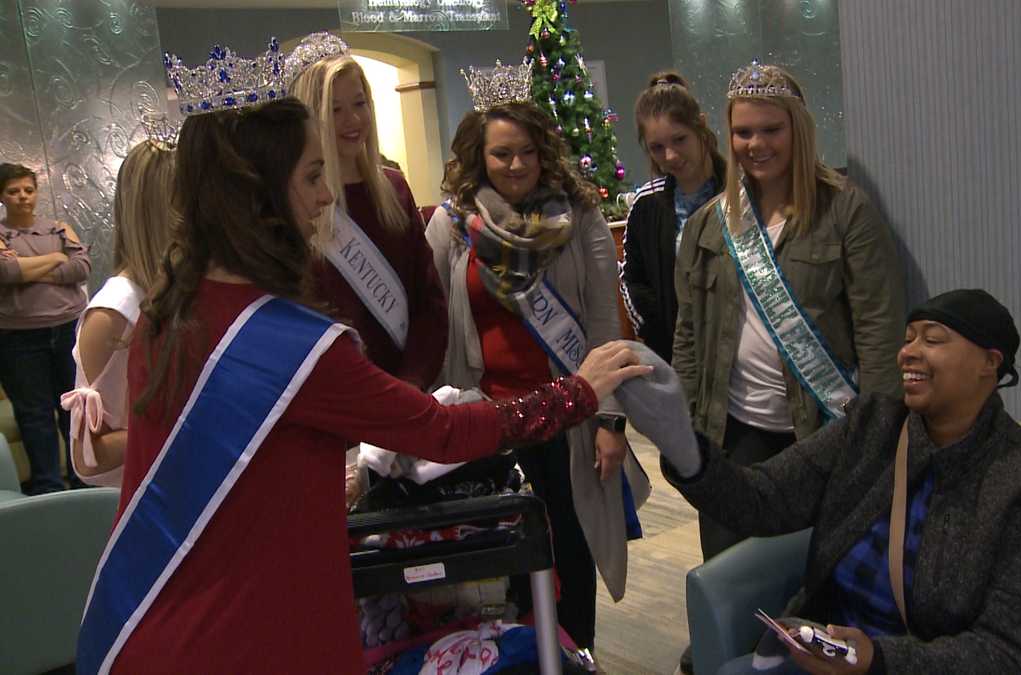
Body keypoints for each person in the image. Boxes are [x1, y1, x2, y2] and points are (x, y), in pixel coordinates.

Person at [75, 46, 649, 674]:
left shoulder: (167, 310)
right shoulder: (295, 346)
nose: (327, 196)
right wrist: (579, 393)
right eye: (311, 176)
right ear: (258, 196)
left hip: (137, 615)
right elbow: (444, 431)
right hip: (246, 630)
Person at [633, 289, 1021, 674]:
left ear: (989, 363)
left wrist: (879, 659)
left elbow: (1007, 652)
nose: (908, 352)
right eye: (908, 338)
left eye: (933, 339)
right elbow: (763, 499)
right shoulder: (872, 426)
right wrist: (681, 445)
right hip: (827, 649)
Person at [426, 61, 649, 654]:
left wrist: (610, 421)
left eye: (526, 151)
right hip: (486, 419)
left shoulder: (579, 216)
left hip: (568, 418)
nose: (516, 165)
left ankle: (576, 656)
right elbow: (432, 324)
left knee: (570, 549)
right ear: (480, 157)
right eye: (502, 154)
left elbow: (603, 323)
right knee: (501, 562)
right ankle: (520, 659)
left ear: (543, 151)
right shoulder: (452, 225)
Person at [673, 62, 906, 563]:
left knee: (813, 575)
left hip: (821, 433)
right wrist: (684, 427)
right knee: (730, 574)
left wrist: (877, 437)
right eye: (743, 132)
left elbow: (880, 330)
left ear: (797, 129)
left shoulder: (846, 211)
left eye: (771, 129)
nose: (756, 144)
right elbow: (688, 335)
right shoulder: (707, 224)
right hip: (730, 433)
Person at [288, 32, 447, 389]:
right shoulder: (297, 202)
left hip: (408, 392)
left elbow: (429, 301)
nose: (353, 120)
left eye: (359, 104)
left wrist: (412, 382)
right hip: (339, 394)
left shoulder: (394, 189)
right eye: (335, 110)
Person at [60, 139, 176, 488]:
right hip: (142, 496)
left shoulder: (184, 291)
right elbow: (88, 457)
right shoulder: (113, 314)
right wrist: (182, 423)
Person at [619, 71, 726, 363]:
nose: (670, 156)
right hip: (673, 357)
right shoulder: (646, 205)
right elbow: (633, 281)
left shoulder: (740, 192)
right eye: (657, 147)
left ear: (701, 126)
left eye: (679, 140)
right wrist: (661, 337)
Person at [0, 162, 91, 493]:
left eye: (29, 189)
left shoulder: (59, 228)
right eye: (13, 191)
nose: (23, 196)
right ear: (2, 196)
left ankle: (84, 483)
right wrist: (56, 259)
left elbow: (81, 267)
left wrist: (26, 270)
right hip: (18, 339)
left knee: (75, 409)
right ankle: (48, 491)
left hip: (67, 329)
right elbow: (5, 273)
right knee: (35, 415)